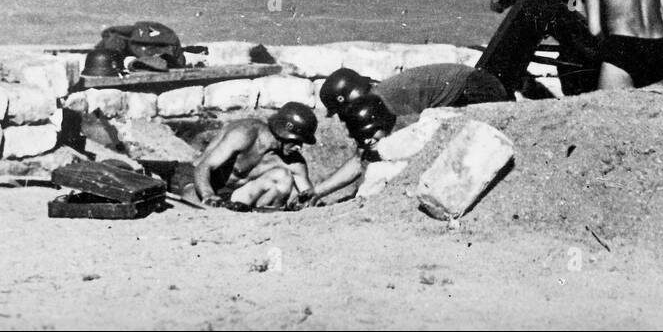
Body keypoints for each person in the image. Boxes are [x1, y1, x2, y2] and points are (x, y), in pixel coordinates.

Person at [188, 102, 316, 208]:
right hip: (205, 190)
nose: (299, 147)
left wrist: (305, 203)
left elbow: (310, 196)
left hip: (236, 201)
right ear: (282, 133)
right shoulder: (244, 134)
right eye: (296, 141)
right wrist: (208, 196)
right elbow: (203, 166)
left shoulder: (294, 162)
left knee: (283, 177)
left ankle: (261, 218)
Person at [318, 64, 506, 127]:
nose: (344, 119)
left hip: (478, 89)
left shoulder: (385, 100)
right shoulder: (381, 94)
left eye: (343, 112)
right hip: (474, 85)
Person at [306, 93, 399, 205]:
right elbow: (358, 162)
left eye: (370, 133)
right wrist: (317, 192)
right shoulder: (374, 147)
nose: (366, 141)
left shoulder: (411, 135)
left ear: (384, 124)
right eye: (361, 136)